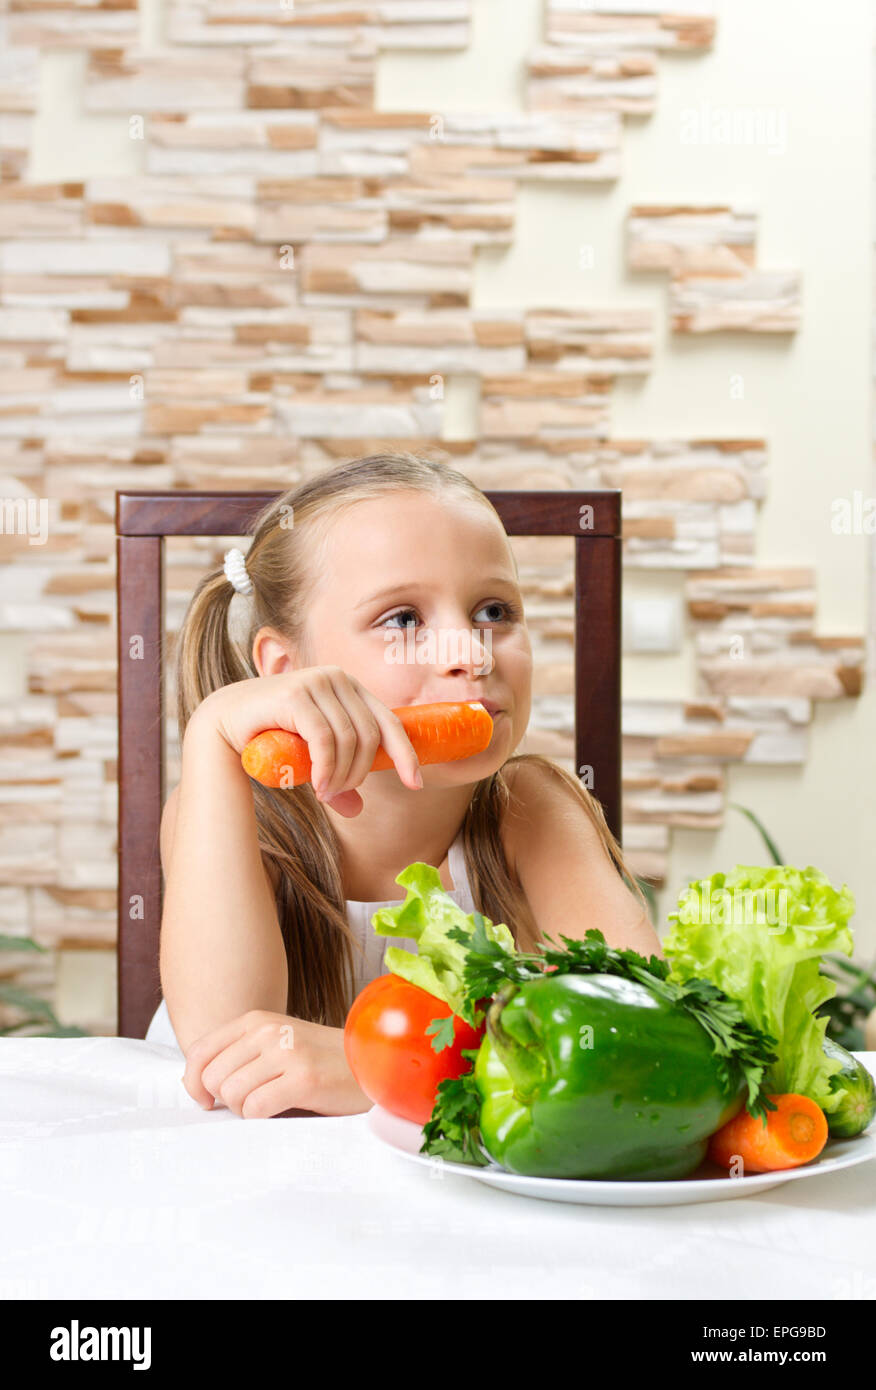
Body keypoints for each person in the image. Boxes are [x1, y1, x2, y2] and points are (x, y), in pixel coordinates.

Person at [147, 452, 662, 1118]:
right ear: (284, 669)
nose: (471, 654)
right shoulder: (226, 812)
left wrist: (376, 1069)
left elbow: (647, 1026)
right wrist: (214, 730)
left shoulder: (528, 810)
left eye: (495, 610)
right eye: (402, 620)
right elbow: (228, 1050)